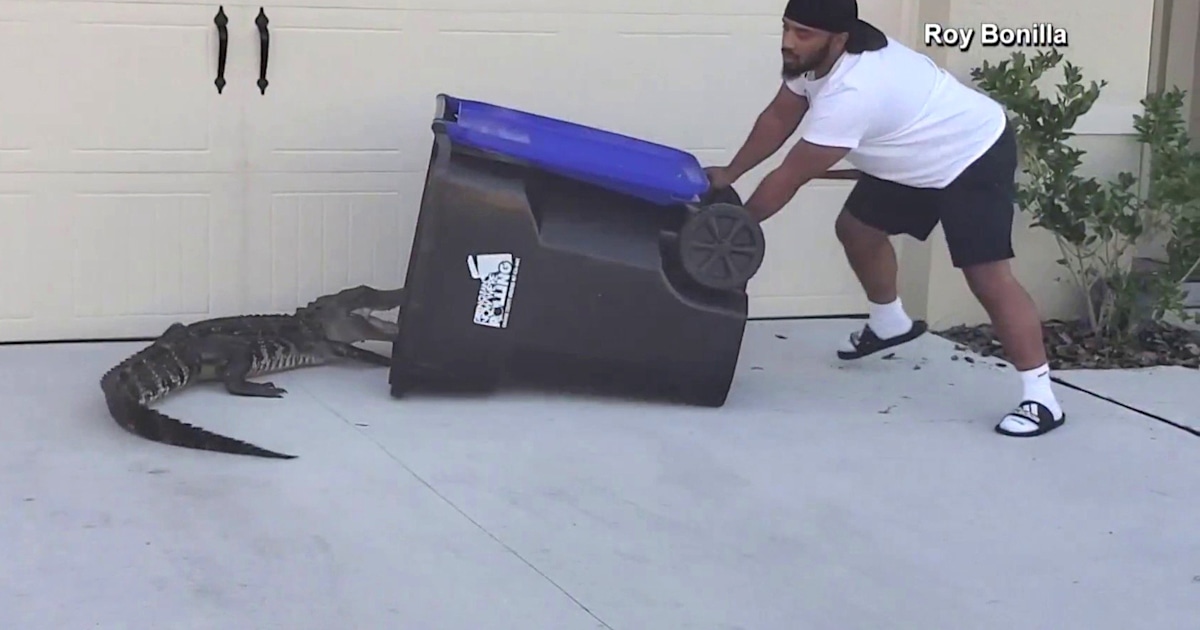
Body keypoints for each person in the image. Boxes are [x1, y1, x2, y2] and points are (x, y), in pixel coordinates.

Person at [706, 0, 1066, 437]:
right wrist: (730, 172)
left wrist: (731, 231)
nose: (788, 42)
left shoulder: (856, 90)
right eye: (787, 28)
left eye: (802, 33)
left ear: (839, 38)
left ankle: (1041, 398)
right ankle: (890, 323)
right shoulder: (814, 60)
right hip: (911, 151)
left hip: (970, 154)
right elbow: (780, 114)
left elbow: (791, 175)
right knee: (857, 230)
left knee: (986, 276)